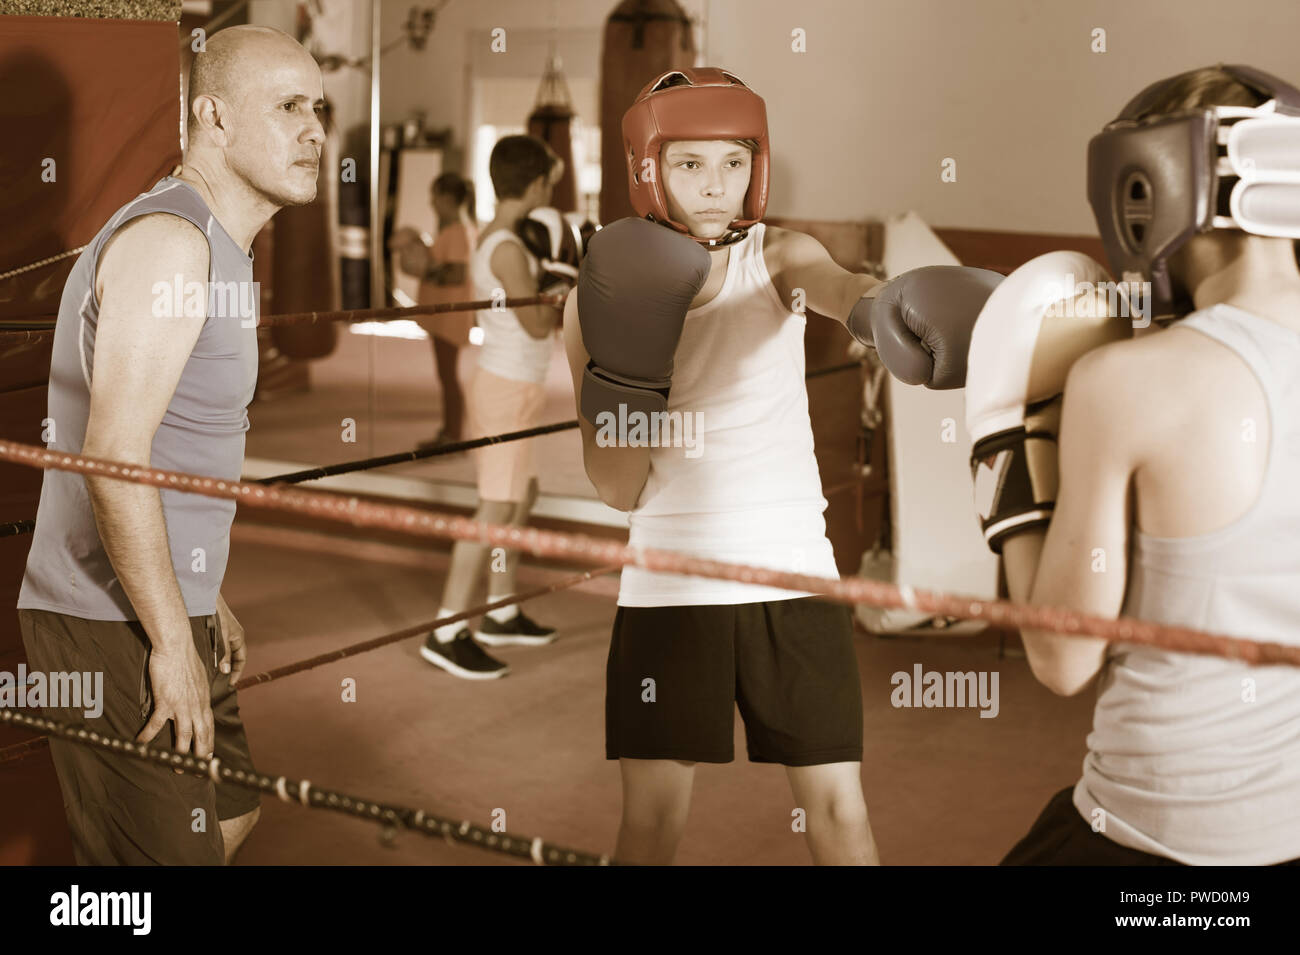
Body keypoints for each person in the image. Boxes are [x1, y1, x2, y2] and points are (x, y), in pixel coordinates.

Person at [563, 68, 1000, 864]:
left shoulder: (778, 257)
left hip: (794, 576)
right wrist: (631, 366)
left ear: (756, 166)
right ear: (648, 167)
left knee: (840, 813)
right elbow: (617, 486)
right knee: (651, 825)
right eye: (690, 164)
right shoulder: (595, 298)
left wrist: (887, 311)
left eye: (732, 162)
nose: (714, 186)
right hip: (670, 585)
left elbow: (840, 288)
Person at [965, 64, 1300, 865]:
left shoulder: (1127, 385)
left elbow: (1061, 656)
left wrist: (1004, 440)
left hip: (1152, 842)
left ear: (1145, 191)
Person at [13, 25, 327, 864]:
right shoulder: (172, 246)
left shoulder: (224, 249)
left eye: (319, 108)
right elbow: (114, 464)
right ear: (212, 117)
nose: (314, 130)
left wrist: (199, 589)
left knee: (227, 817)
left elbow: (182, 442)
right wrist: (167, 639)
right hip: (106, 617)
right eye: (288, 106)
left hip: (162, 600)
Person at [419, 136, 570, 680]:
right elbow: (536, 324)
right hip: (504, 388)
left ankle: (500, 610)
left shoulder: (510, 238)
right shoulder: (507, 247)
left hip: (516, 384)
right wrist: (568, 282)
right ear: (535, 185)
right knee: (495, 507)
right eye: (549, 181)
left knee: (520, 494)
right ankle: (447, 628)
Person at [390, 171, 479, 448]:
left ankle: (452, 436)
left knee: (448, 377)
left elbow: (456, 275)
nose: (431, 203)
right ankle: (449, 432)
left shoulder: (457, 232)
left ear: (448, 199)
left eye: (435, 197)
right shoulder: (457, 229)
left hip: (448, 318)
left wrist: (424, 268)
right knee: (446, 375)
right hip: (444, 316)